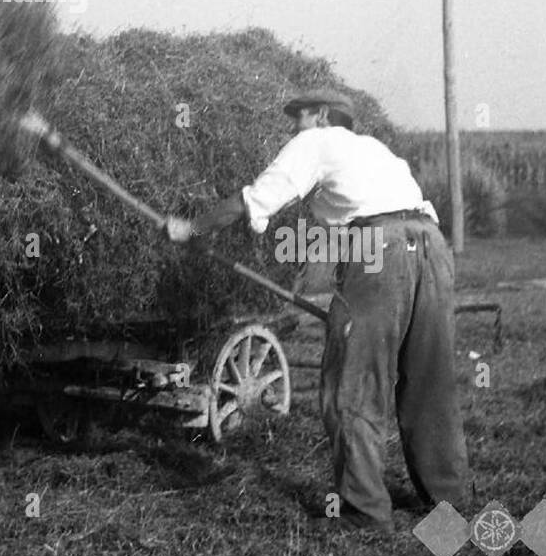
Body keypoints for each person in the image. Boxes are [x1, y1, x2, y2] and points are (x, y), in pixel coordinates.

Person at [165, 88, 470, 533]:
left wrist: (191, 227)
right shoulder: (375, 150)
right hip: (431, 245)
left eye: (299, 116)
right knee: (430, 379)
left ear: (323, 116)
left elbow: (254, 201)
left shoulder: (315, 142)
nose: (293, 125)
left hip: (379, 248)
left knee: (354, 382)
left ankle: (364, 511)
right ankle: (451, 502)